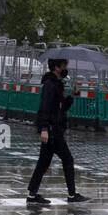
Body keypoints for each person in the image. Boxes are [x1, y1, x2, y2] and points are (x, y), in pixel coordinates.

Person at [26, 57, 86, 206]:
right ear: (57, 67)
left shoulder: (56, 84)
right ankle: (72, 195)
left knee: (43, 163)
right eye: (64, 65)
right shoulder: (50, 84)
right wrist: (44, 128)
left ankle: (32, 195)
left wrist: (73, 94)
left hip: (54, 128)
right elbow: (44, 108)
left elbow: (61, 107)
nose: (66, 68)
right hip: (53, 131)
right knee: (67, 159)